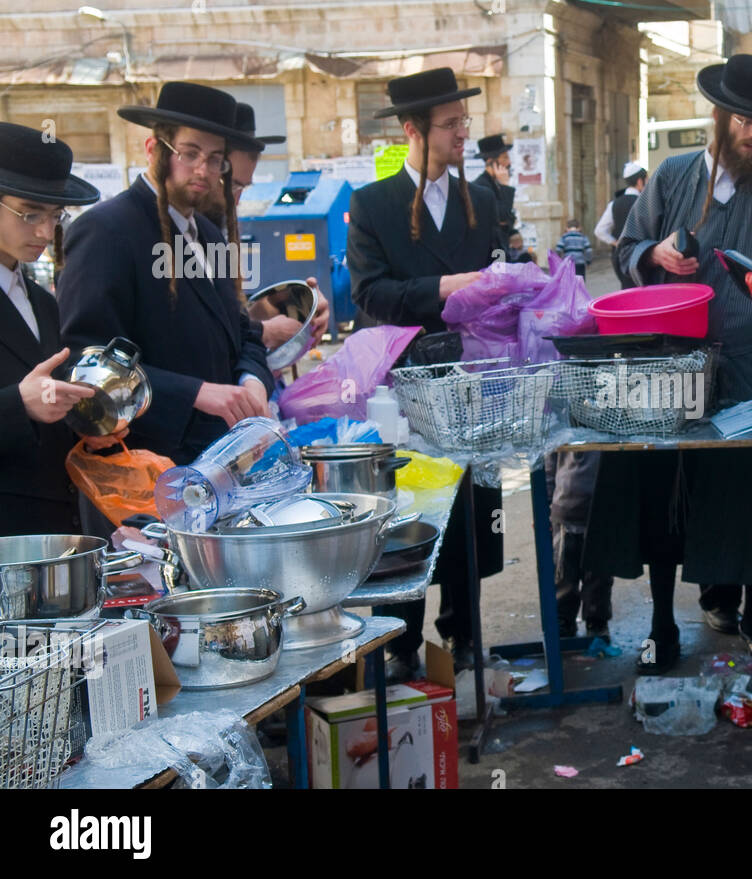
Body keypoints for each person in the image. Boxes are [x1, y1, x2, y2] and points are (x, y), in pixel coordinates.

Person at [586, 54, 752, 672]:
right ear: (719, 115)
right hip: (671, 359)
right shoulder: (672, 175)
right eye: (745, 120)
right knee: (663, 487)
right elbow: (626, 253)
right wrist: (655, 252)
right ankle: (661, 621)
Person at [346, 68, 503, 677]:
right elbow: (371, 295)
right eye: (451, 124)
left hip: (474, 380)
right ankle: (401, 646)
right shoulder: (373, 204)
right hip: (405, 386)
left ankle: (465, 636)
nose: (463, 132)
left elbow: (495, 281)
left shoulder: (482, 200)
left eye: (465, 121)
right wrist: (446, 287)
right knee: (410, 515)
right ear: (413, 130)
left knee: (469, 513)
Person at [60, 82, 274, 470]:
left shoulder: (208, 234)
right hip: (146, 465)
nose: (202, 170)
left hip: (219, 459)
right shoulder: (106, 230)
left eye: (215, 159)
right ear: (154, 149)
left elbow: (242, 332)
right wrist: (195, 393)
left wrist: (251, 382)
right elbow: (84, 358)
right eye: (189, 153)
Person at [0, 122, 107, 536]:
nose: (46, 232)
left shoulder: (42, 300)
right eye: (29, 213)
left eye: (55, 215)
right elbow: (25, 400)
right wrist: (17, 405)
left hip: (50, 539)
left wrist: (86, 427)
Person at [201, 103, 330, 357]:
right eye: (232, 186)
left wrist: (294, 304)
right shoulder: (170, 237)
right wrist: (263, 331)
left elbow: (235, 313)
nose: (236, 201)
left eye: (242, 189)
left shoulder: (219, 230)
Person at [545, 451, 613, 639]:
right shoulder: (562, 426)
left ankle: (597, 621)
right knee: (563, 572)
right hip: (565, 508)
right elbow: (549, 464)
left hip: (600, 507)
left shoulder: (610, 424)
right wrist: (546, 502)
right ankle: (564, 620)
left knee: (598, 575)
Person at [593, 161, 647, 289]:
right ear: (640, 181)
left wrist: (615, 242)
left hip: (620, 257)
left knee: (627, 292)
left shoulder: (614, 204)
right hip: (641, 256)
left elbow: (599, 230)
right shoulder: (644, 203)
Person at [473, 134, 515, 254]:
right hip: (491, 251)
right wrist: (506, 186)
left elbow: (508, 220)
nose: (509, 162)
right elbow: (502, 216)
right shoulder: (481, 186)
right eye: (504, 158)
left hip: (501, 248)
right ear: (492, 161)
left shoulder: (496, 183)